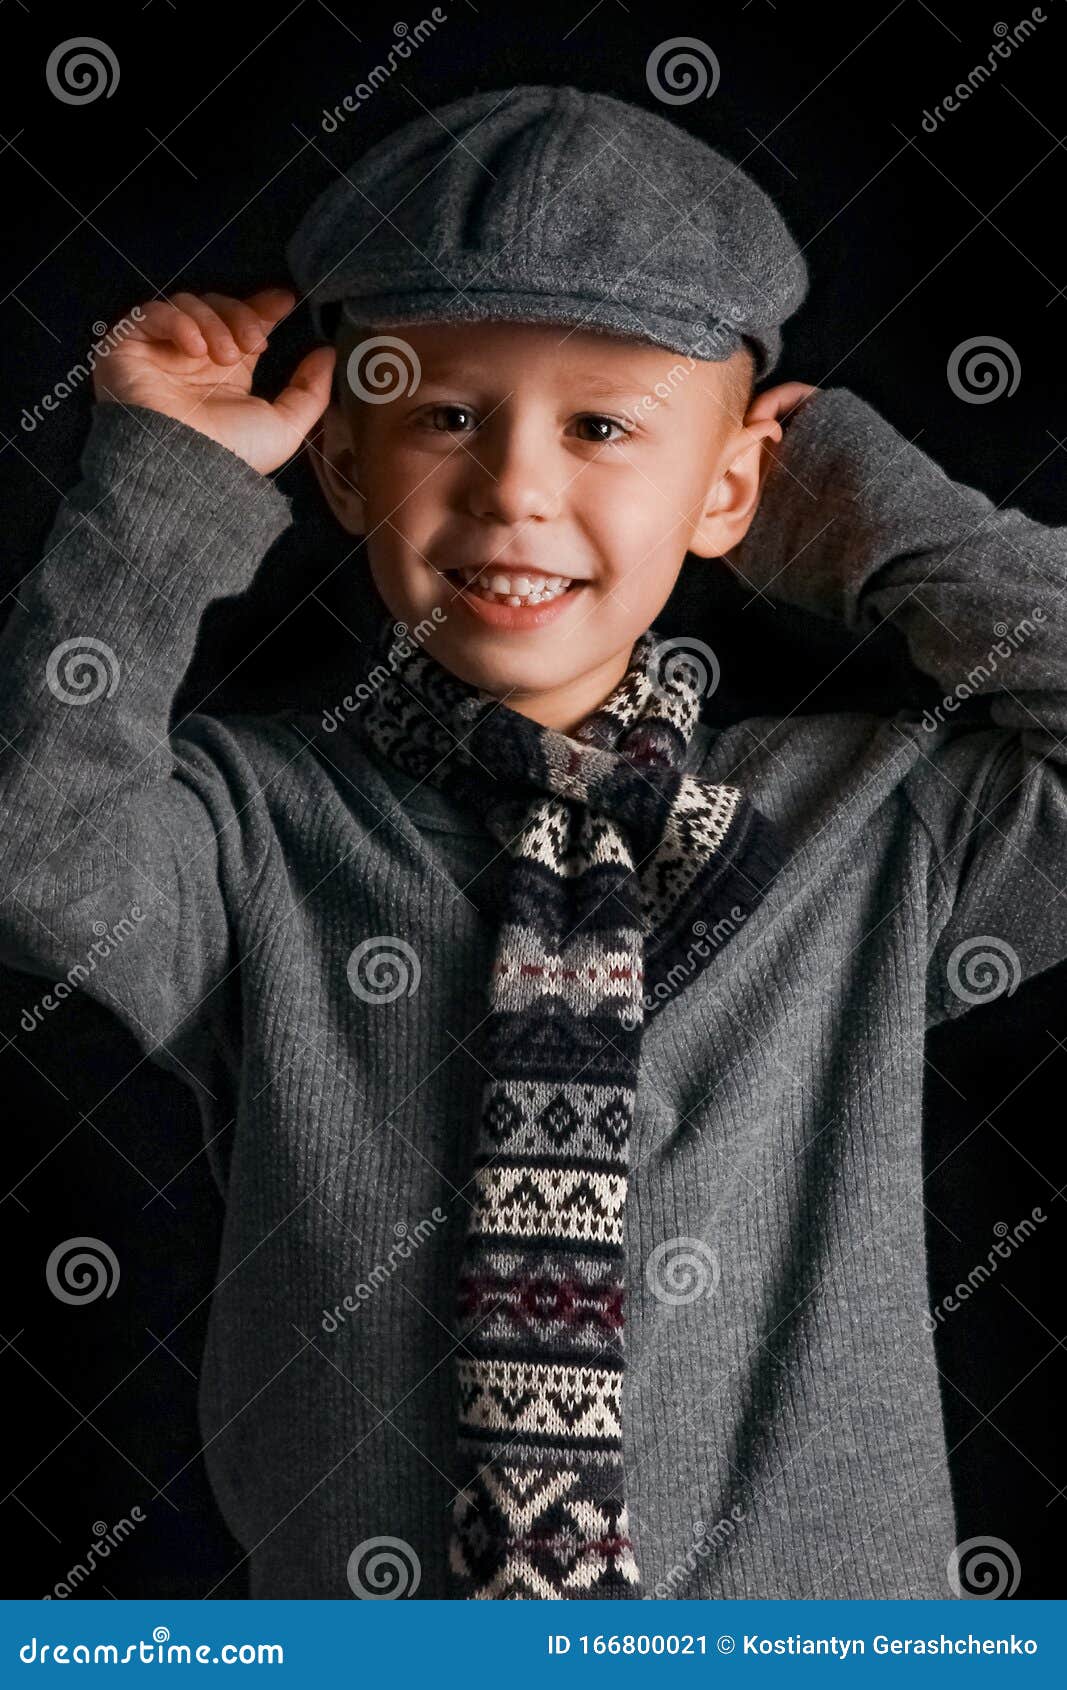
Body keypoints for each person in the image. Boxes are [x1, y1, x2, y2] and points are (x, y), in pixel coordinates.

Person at [1, 83, 1063, 1601]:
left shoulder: (870, 831)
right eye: (444, 414)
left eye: (604, 425)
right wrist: (156, 494)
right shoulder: (260, 833)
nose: (515, 484)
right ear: (349, 469)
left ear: (729, 489)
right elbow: (36, 850)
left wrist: (883, 525)